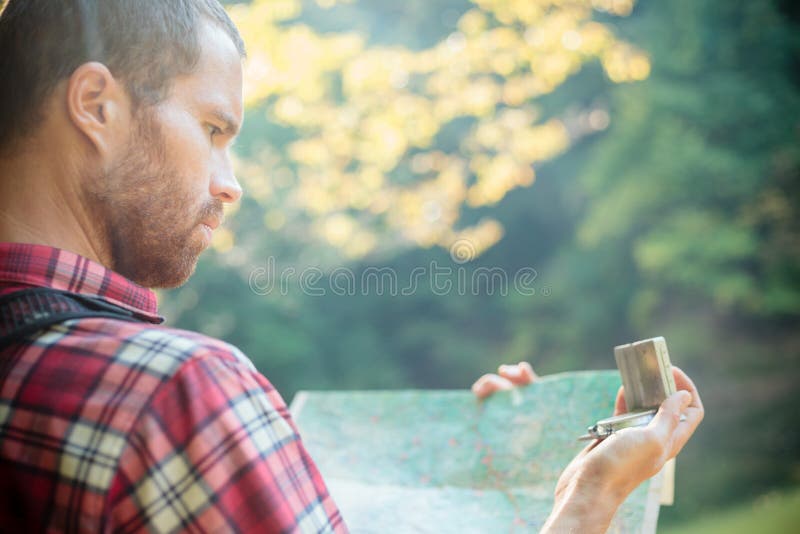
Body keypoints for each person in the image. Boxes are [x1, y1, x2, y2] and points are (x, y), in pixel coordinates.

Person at [0, 0, 703, 532]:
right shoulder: (180, 392)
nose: (230, 183)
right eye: (213, 130)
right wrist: (586, 503)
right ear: (96, 105)